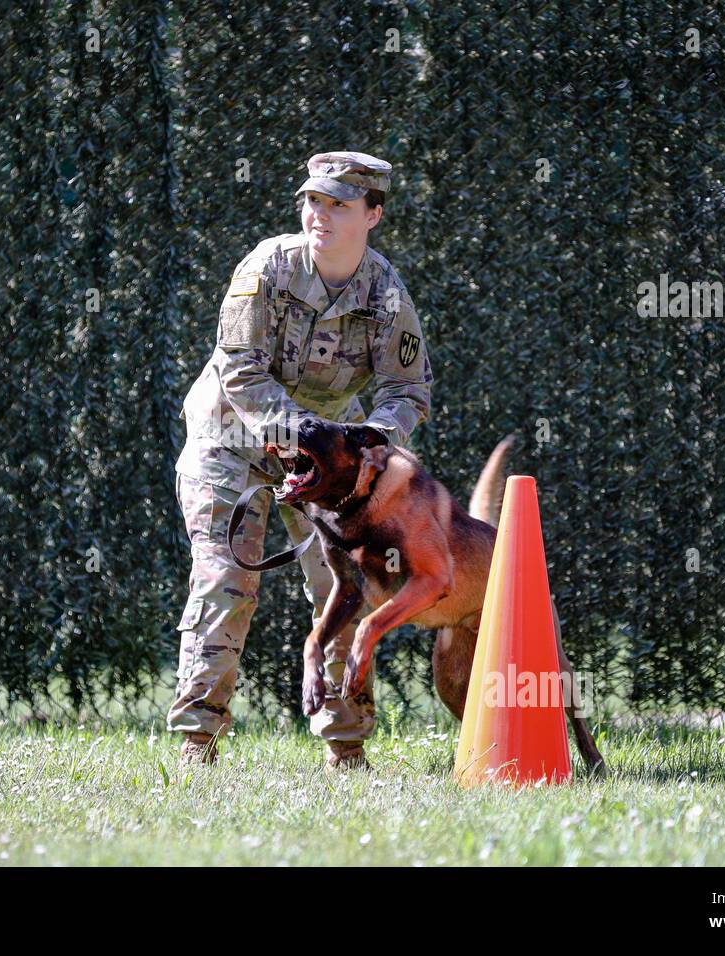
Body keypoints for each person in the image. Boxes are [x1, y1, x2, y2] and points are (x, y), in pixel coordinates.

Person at [169, 151, 433, 771]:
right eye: (314, 201)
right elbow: (238, 368)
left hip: (323, 464)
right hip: (230, 443)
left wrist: (372, 440)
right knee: (226, 581)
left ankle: (347, 750)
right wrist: (299, 426)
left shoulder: (386, 294)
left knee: (346, 587)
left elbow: (408, 389)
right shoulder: (267, 268)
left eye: (340, 205)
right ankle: (196, 744)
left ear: (373, 215)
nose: (321, 215)